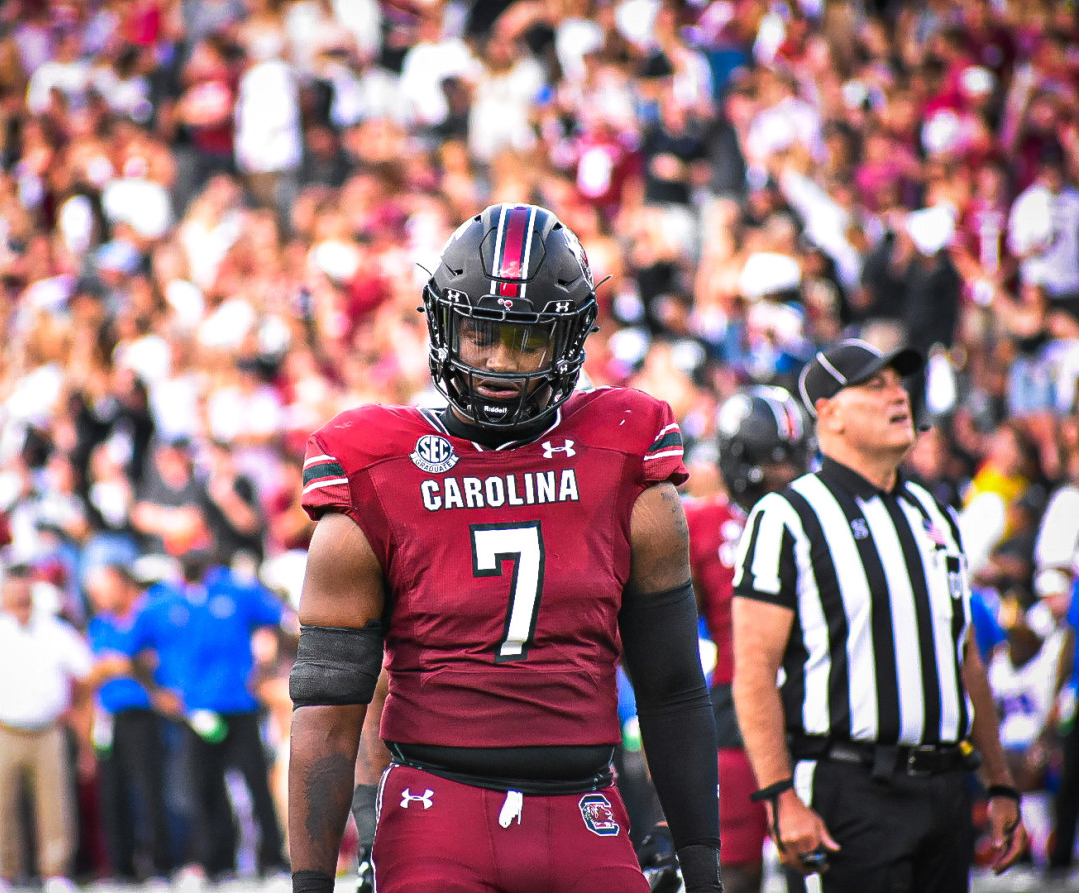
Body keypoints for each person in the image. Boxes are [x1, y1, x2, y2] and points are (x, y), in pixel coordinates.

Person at [287, 203, 722, 893]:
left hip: (584, 806)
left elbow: (670, 688)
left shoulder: (622, 454)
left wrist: (699, 865)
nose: (498, 361)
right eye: (481, 332)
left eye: (527, 340)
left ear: (570, 342)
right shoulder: (377, 465)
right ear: (443, 324)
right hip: (438, 811)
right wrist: (313, 882)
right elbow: (329, 706)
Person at [731, 338, 1029, 893]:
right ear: (830, 413)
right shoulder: (788, 516)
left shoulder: (932, 514)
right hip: (851, 789)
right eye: (875, 385)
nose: (899, 396)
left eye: (900, 383)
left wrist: (1000, 783)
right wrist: (780, 797)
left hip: (944, 787)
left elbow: (964, 659)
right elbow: (754, 670)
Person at [686, 385, 811, 893]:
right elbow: (659, 631)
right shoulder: (701, 524)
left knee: (814, 864)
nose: (787, 474)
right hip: (733, 714)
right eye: (775, 461)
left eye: (793, 460)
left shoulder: (819, 517)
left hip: (811, 709)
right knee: (733, 870)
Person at [116, 553, 290, 884]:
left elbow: (277, 620)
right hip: (193, 710)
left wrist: (265, 668)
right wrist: (156, 691)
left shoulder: (235, 590)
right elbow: (131, 651)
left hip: (237, 703)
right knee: (202, 789)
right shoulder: (160, 602)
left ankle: (273, 861)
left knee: (256, 784)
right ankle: (214, 862)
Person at [0, 564, 94, 893]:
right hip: (4, 729)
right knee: (3, 803)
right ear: (4, 599)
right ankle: (7, 872)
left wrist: (74, 713)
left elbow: (84, 672)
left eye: (24, 595)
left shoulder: (53, 631)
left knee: (55, 803)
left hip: (48, 728)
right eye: (14, 596)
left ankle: (56, 872)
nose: (20, 601)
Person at [85, 564, 172, 884]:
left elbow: (151, 662)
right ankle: (121, 866)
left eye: (105, 590)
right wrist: (117, 666)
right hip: (110, 716)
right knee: (113, 793)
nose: (99, 598)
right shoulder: (100, 625)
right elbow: (91, 673)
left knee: (149, 790)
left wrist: (122, 665)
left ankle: (159, 863)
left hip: (142, 714)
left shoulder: (145, 617)